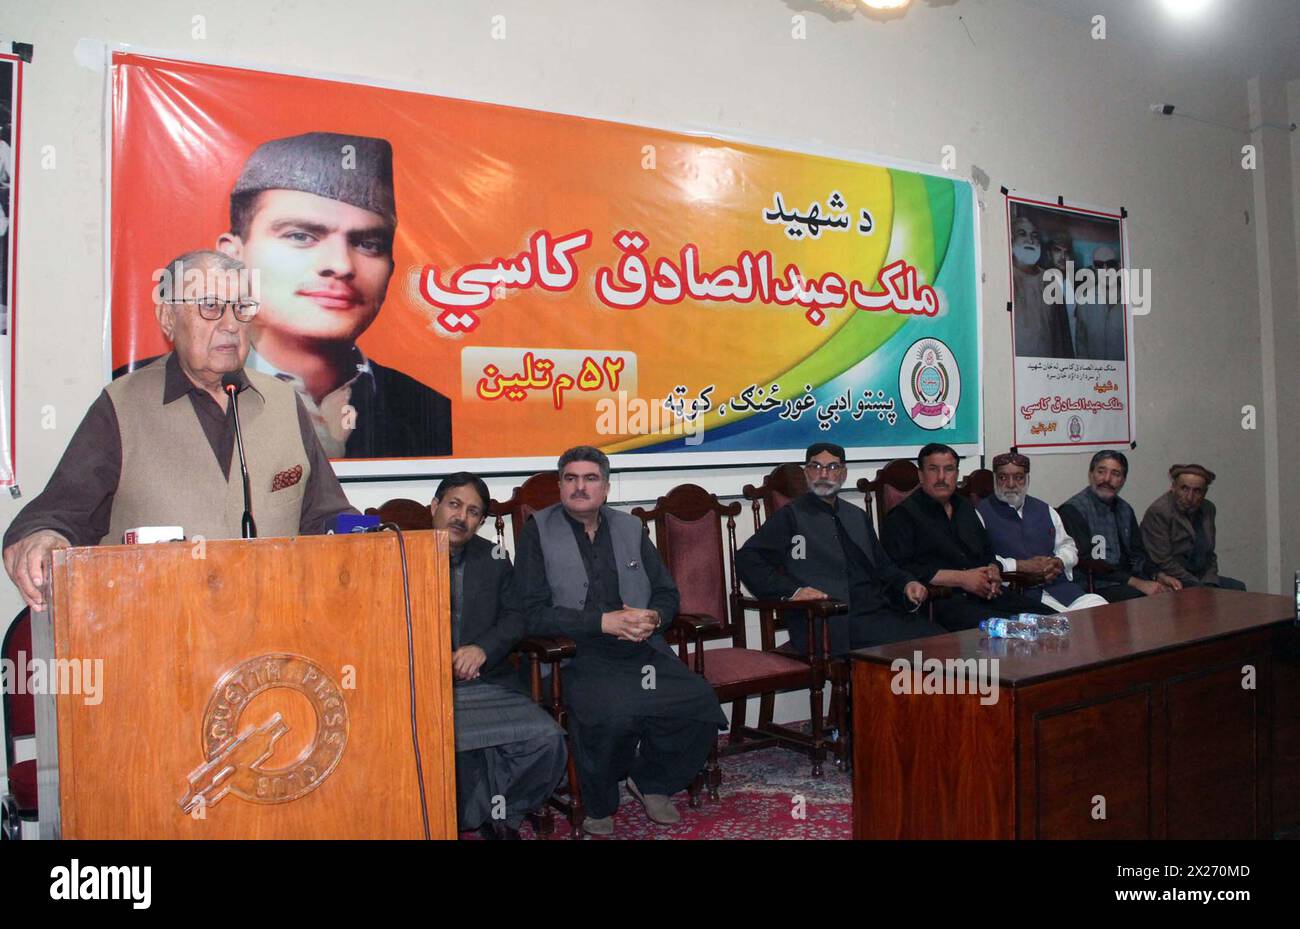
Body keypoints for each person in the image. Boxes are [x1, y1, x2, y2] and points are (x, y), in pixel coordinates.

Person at [3, 250, 357, 611]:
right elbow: (60, 514)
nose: (231, 324)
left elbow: (325, 517)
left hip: (275, 640)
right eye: (210, 306)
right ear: (168, 317)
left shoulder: (284, 403)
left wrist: (367, 538)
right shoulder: (121, 407)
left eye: (241, 308)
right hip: (160, 640)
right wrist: (42, 538)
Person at [513, 446, 725, 836]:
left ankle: (651, 780)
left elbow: (667, 593)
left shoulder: (629, 528)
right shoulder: (538, 531)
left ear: (606, 488)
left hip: (638, 648)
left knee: (698, 701)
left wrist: (654, 617)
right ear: (560, 485)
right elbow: (529, 613)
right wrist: (601, 622)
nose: (580, 487)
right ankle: (599, 800)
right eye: (571, 478)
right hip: (573, 654)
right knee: (612, 711)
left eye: (590, 479)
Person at [215, 131, 452, 459]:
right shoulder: (165, 392)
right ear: (233, 256)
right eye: (301, 236)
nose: (341, 265)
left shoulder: (428, 413)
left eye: (368, 244)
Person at [430, 472, 567, 840]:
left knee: (547, 740)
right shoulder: (397, 554)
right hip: (427, 690)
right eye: (454, 505)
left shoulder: (494, 557)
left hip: (487, 683)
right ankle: (484, 813)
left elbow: (516, 616)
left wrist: (483, 649)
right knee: (446, 752)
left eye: (473, 512)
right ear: (435, 506)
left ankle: (504, 811)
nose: (461, 517)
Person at [735, 441, 943, 656]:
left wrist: (907, 583)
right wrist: (793, 591)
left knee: (944, 641)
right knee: (921, 651)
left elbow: (884, 566)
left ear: (843, 473)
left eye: (832, 467)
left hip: (879, 613)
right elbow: (747, 559)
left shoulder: (856, 515)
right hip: (831, 620)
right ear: (806, 473)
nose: (823, 474)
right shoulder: (791, 516)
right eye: (816, 467)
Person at [881, 443, 1053, 631]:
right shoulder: (902, 516)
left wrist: (993, 570)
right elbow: (900, 570)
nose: (941, 477)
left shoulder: (965, 507)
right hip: (940, 601)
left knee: (1050, 619)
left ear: (956, 474)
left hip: (984, 595)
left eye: (948, 469)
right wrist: (962, 579)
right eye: (933, 469)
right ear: (921, 476)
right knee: (1011, 629)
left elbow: (987, 552)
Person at [974, 451, 1108, 612]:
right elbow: (981, 560)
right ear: (995, 479)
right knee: (1065, 623)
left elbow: (1068, 546)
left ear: (1027, 479)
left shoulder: (1045, 509)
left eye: (1018, 477)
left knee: (1101, 610)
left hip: (1062, 591)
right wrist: (1021, 566)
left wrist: (1058, 561)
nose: (1011, 484)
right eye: (1003, 477)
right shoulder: (980, 513)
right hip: (1019, 596)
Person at [1057, 450, 1181, 601]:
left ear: (1123, 480)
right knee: (1147, 600)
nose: (1107, 479)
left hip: (1127, 581)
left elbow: (1138, 554)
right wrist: (1137, 583)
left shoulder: (1125, 509)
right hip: (1094, 585)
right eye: (1101, 472)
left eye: (1115, 474)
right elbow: (1085, 561)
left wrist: (1159, 576)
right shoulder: (1073, 510)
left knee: (1173, 593)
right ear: (1091, 474)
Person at [1140, 464, 1245, 590]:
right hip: (1171, 578)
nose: (1190, 497)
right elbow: (1162, 560)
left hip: (1200, 577)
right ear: (1173, 487)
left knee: (1238, 589)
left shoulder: (1208, 509)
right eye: (1184, 489)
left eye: (1197, 491)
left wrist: (1210, 580)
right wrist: (1197, 585)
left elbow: (1209, 553)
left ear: (1205, 493)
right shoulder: (1159, 511)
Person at [1011, 215, 1072, 359]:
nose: (1030, 241)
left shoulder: (1050, 280)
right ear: (1011, 240)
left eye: (1034, 236)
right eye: (1022, 234)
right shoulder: (1005, 275)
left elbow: (1063, 338)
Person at [1073, 245, 1126, 361]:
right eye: (1100, 265)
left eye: (1110, 264)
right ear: (1094, 268)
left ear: (1118, 266)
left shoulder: (1131, 300)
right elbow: (1081, 345)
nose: (1105, 270)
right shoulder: (1084, 300)